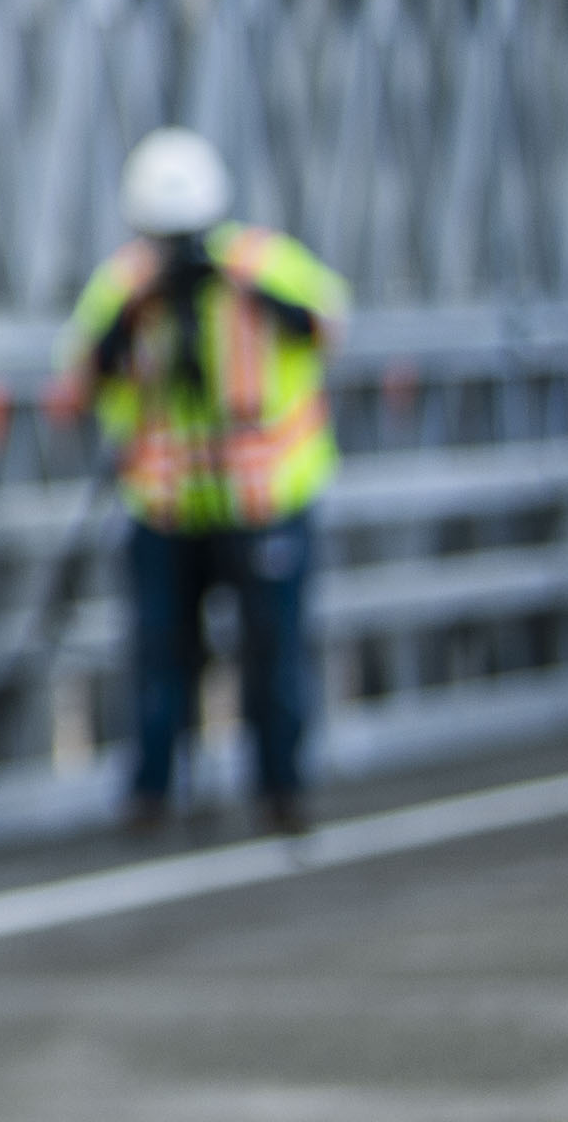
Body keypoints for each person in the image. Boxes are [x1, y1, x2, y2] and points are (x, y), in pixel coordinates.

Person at [57, 129, 350, 839]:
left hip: (263, 501)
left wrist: (247, 294)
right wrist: (136, 315)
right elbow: (81, 378)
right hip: (164, 506)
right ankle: (151, 796)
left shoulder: (261, 263)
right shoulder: (127, 284)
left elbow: (327, 326)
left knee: (272, 653)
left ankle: (281, 790)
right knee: (161, 656)